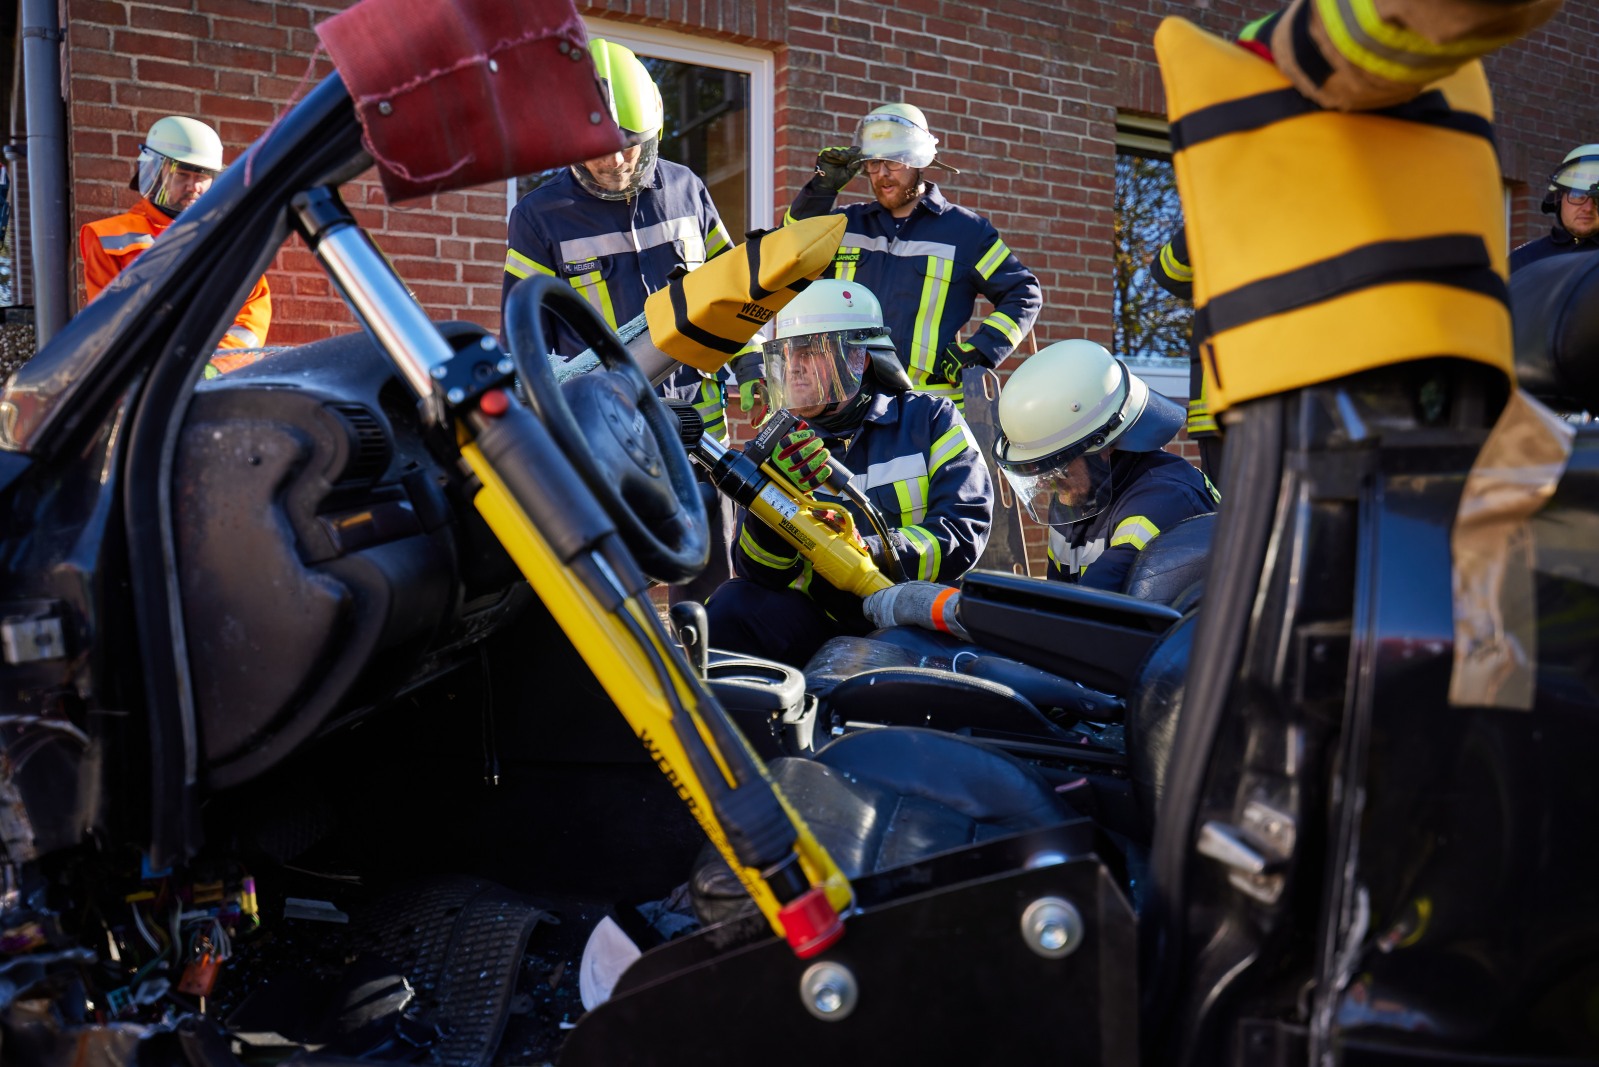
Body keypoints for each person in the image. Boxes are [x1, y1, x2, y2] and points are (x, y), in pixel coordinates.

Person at [502, 37, 754, 604]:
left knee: (709, 585)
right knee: (615, 590)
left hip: (698, 432)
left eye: (629, 147)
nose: (615, 161)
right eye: (597, 149)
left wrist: (755, 361)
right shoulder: (539, 217)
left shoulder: (688, 190)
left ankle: (706, 686)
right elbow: (526, 339)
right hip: (606, 431)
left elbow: (730, 290)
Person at [703, 279, 993, 667]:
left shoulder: (932, 420)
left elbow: (963, 530)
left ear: (861, 358)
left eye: (810, 352)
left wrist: (869, 550)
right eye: (787, 356)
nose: (795, 369)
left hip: (912, 619)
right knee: (729, 607)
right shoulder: (781, 445)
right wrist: (770, 499)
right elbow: (759, 573)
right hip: (818, 622)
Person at [783, 103, 1040, 409]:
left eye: (893, 161)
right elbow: (787, 255)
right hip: (848, 409)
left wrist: (980, 351)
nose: (882, 174)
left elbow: (1023, 293)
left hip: (930, 411)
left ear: (919, 159)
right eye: (873, 163)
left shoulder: (966, 232)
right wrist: (820, 189)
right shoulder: (844, 224)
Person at [994, 339, 1219, 591]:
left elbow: (1096, 609)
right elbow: (1057, 601)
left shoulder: (1163, 501)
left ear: (1104, 445)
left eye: (1055, 465)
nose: (1046, 481)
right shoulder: (1077, 496)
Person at [79, 116, 271, 368]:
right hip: (143, 382)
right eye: (181, 174)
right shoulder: (109, 238)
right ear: (156, 175)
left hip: (215, 381)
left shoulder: (231, 240)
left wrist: (216, 368)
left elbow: (251, 317)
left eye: (201, 176)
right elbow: (108, 326)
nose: (193, 186)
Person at [1510, 145, 1599, 272]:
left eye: (1597, 199)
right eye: (1577, 195)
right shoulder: (1523, 260)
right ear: (1558, 198)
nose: (1588, 207)